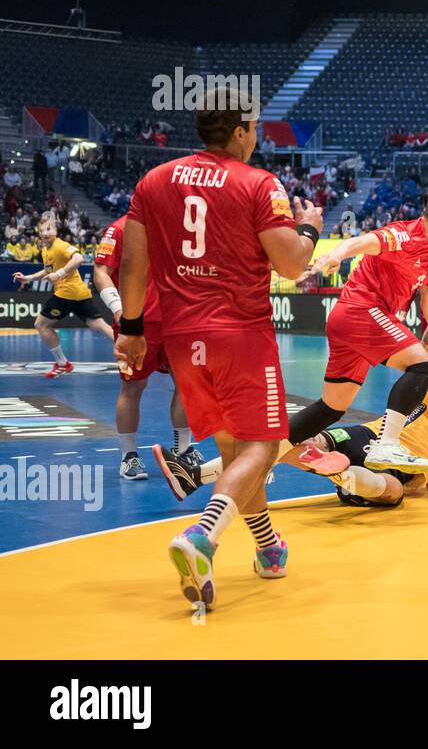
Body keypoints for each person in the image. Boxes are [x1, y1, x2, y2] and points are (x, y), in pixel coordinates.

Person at [116, 86, 322, 607]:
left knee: (234, 449)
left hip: (184, 338)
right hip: (240, 333)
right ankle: (201, 536)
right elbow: (293, 266)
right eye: (253, 128)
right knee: (263, 446)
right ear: (238, 131)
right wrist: (308, 229)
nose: (256, 137)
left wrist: (133, 328)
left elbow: (132, 266)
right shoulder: (259, 183)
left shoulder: (154, 181)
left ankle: (269, 549)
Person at [286, 189, 428, 475]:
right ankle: (387, 443)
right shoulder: (404, 235)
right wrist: (335, 254)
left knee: (332, 408)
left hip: (353, 322)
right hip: (361, 310)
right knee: (421, 367)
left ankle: (260, 450)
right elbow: (362, 242)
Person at [156, 374, 428, 504]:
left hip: (394, 473)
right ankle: (196, 477)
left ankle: (342, 474)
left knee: (394, 493)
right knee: (304, 443)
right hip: (370, 438)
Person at [93, 214, 195, 481]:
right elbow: (101, 272)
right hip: (137, 324)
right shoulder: (119, 228)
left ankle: (183, 451)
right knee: (133, 386)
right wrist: (118, 309)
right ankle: (129, 456)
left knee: (188, 384)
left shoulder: (182, 223)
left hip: (178, 321)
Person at [11, 218, 115, 378]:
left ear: (56, 232)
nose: (45, 233)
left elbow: (79, 258)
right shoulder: (45, 251)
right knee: (99, 326)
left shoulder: (60, 245)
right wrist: (28, 278)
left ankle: (62, 363)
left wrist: (59, 274)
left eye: (49, 229)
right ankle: (130, 347)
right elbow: (47, 271)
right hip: (80, 293)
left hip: (66, 293)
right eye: (42, 230)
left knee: (41, 324)